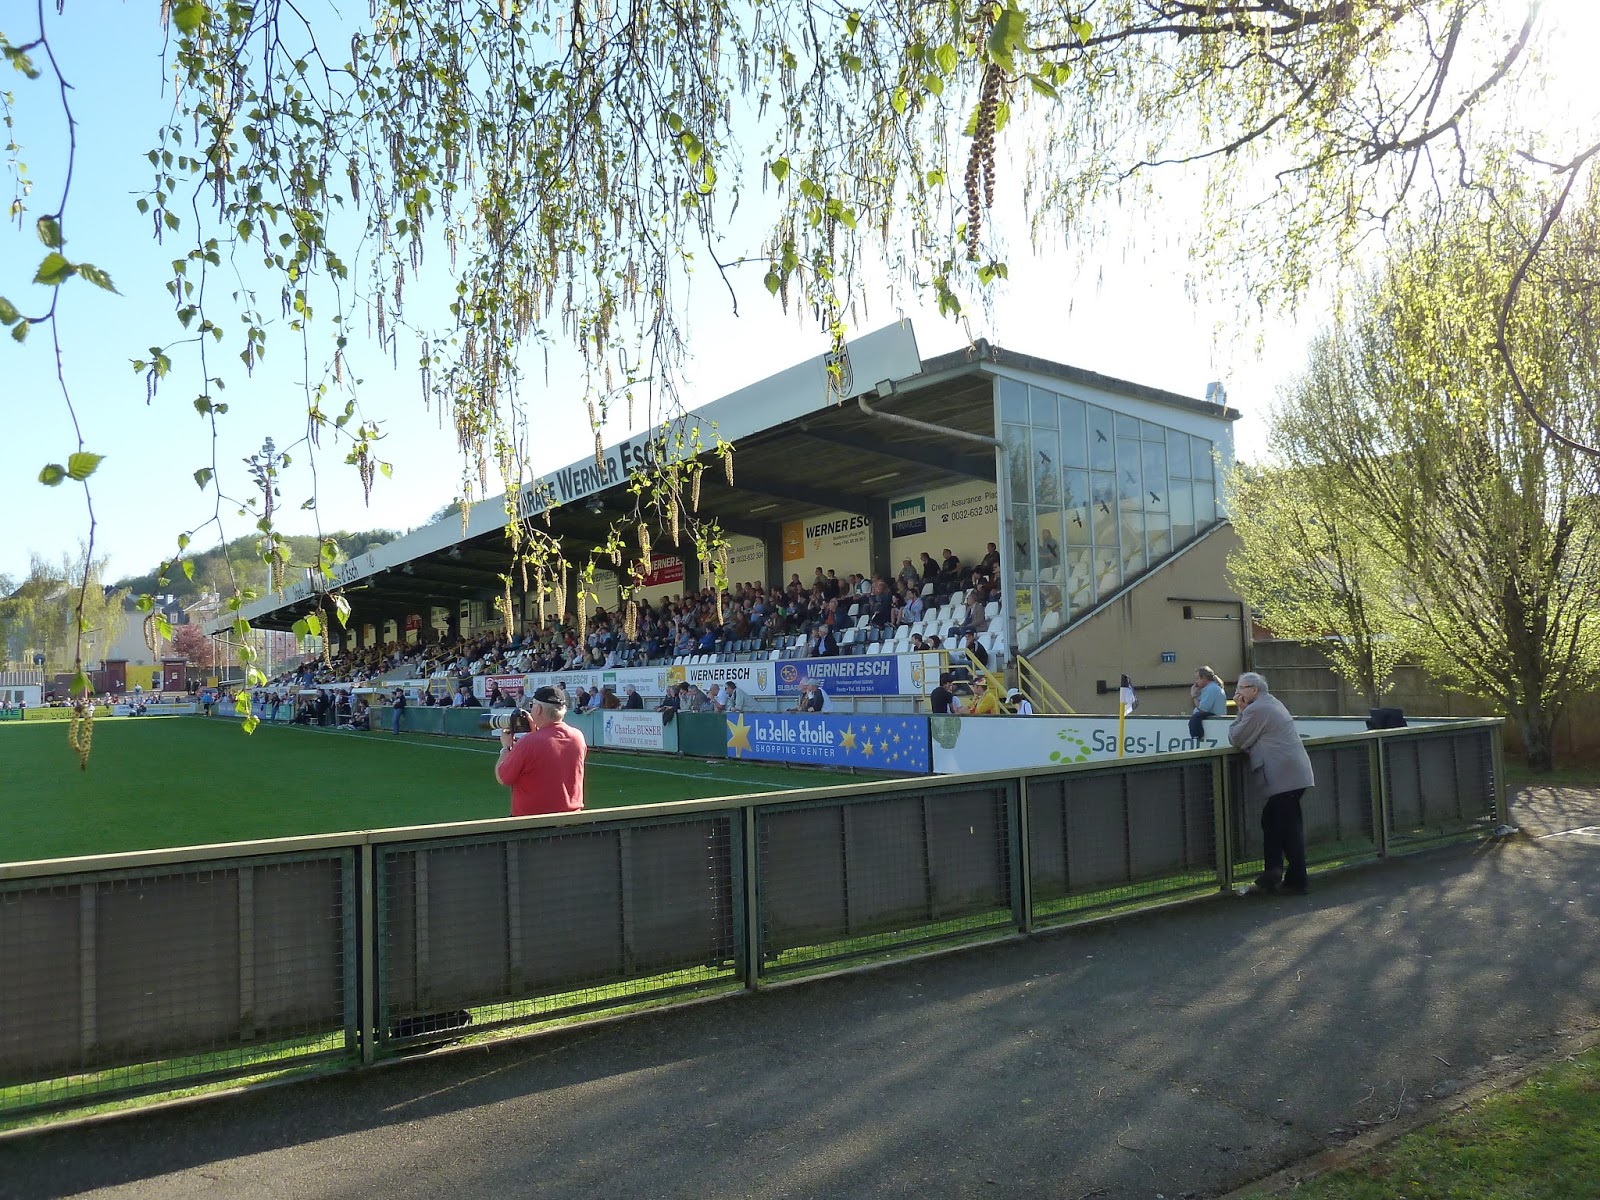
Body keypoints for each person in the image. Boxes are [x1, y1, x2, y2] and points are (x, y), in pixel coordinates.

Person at [1228, 672, 1315, 896]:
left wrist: (1240, 711)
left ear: (1254, 690)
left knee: (1285, 826)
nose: (1237, 693)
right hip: (1292, 775)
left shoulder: (1257, 709)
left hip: (1285, 777)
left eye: (1241, 688)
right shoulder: (1271, 702)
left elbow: (1236, 738)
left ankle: (1292, 879)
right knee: (1275, 822)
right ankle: (1277, 873)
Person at [496, 686, 587, 816]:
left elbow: (503, 777)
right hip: (571, 817)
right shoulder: (577, 737)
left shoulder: (528, 742)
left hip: (532, 821)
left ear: (538, 709)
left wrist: (505, 748)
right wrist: (535, 732)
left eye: (532, 705)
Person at [1189, 666, 1227, 740]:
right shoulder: (1212, 688)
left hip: (1212, 726)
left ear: (1204, 678)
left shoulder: (1211, 689)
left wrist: (1194, 696)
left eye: (1197, 678)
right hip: (1216, 724)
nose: (1196, 682)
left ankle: (1197, 735)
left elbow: (1202, 709)